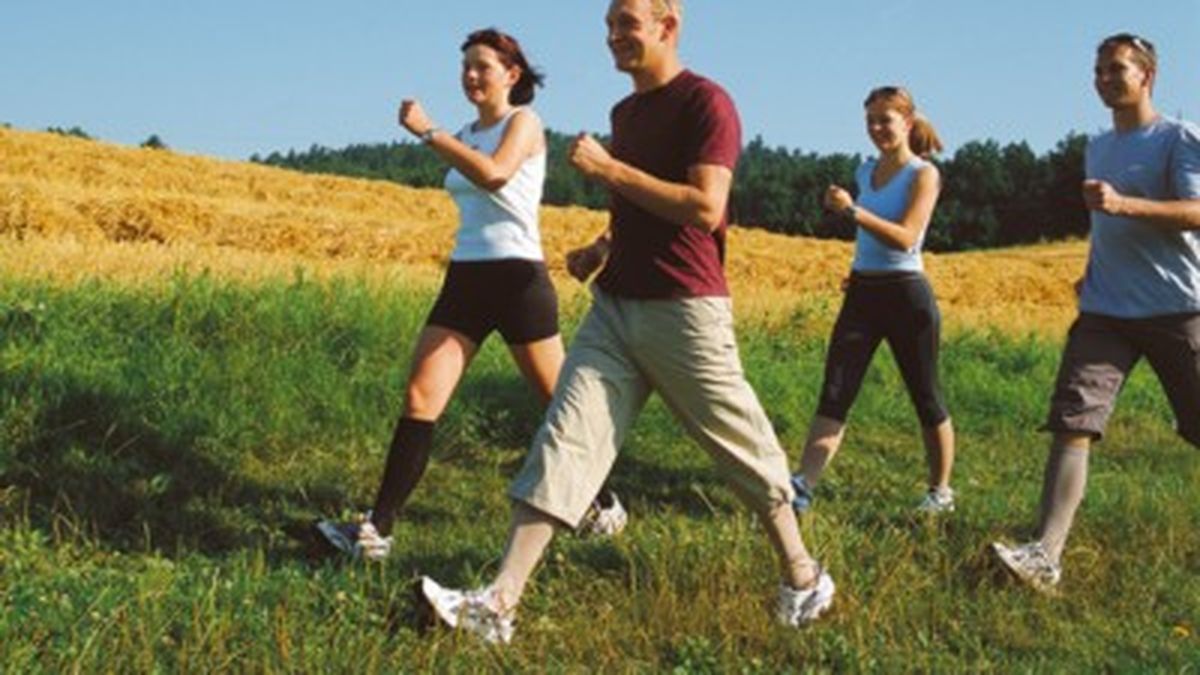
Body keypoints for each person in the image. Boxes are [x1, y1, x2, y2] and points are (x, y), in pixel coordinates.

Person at [418, 0, 834, 644]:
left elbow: (705, 207)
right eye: (609, 25)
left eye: (627, 24)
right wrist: (602, 247)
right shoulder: (627, 112)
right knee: (566, 439)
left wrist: (609, 168)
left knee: (740, 447)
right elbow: (637, 208)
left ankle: (803, 576)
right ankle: (498, 604)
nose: (613, 36)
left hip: (684, 309)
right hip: (615, 309)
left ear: (668, 26)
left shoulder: (706, 103)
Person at [317, 28, 625, 561]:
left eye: (482, 66)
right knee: (420, 397)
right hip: (465, 279)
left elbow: (496, 175)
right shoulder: (465, 132)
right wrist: (443, 135)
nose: (471, 75)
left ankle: (602, 502)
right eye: (465, 67)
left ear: (512, 74)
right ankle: (376, 531)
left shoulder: (523, 123)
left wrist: (428, 131)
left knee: (558, 404)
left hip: (518, 281)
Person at [992, 33, 1200, 592]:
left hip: (1176, 307)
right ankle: (1046, 555)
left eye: (1116, 69)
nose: (1104, 79)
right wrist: (1092, 268)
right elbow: (1103, 224)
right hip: (1105, 309)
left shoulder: (1179, 138)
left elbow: (1196, 212)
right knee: (1073, 421)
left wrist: (1124, 203)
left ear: (1147, 76)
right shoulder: (1098, 146)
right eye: (1099, 70)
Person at [791, 87, 957, 515]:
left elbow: (906, 237)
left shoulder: (924, 175)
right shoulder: (865, 171)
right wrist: (860, 268)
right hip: (863, 293)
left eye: (886, 120)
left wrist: (852, 212)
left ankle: (940, 493)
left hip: (907, 295)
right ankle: (803, 485)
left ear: (908, 121)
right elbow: (870, 238)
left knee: (925, 395)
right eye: (870, 121)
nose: (877, 128)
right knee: (836, 390)